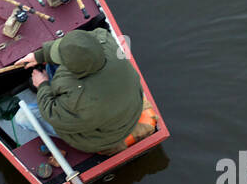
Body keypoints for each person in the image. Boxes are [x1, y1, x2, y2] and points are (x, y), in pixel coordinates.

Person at [14, 28, 154, 156]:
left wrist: (42, 85)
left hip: (101, 137)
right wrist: (40, 55)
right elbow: (88, 39)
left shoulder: (78, 99)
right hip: (124, 111)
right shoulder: (107, 42)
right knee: (52, 65)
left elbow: (52, 113)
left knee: (21, 118)